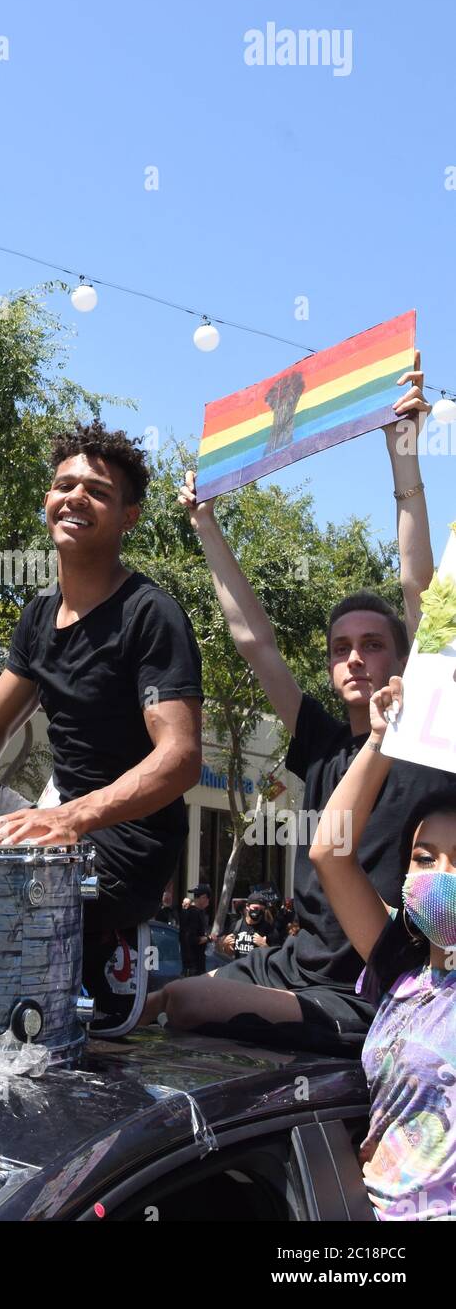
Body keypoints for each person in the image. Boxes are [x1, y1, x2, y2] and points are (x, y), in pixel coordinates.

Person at [142, 368, 456, 1046]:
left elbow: (419, 590)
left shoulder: (428, 749)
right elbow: (255, 642)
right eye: (341, 646)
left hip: (366, 990)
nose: (355, 658)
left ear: (404, 662)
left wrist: (404, 454)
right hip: (289, 965)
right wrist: (206, 526)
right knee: (151, 1001)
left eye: (373, 645)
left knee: (190, 1003)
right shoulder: (316, 739)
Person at [0, 421, 203, 1020]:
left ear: (129, 516)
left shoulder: (151, 615)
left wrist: (71, 817)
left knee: (29, 858)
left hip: (124, 849)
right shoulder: (39, 618)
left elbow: (179, 759)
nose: (75, 496)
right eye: (63, 485)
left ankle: (81, 956)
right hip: (52, 826)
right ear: (47, 501)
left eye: (98, 491)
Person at [310, 675, 456, 1220]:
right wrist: (379, 741)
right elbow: (331, 852)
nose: (442, 874)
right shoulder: (403, 965)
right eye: (424, 857)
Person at [220, 893, 281, 959]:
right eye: (255, 908)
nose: (258, 911)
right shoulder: (236, 926)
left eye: (262, 909)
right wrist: (225, 945)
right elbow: (230, 953)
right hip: (239, 968)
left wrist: (264, 946)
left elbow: (277, 957)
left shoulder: (270, 930)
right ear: (247, 906)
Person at [179, 885, 210, 975]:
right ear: (204, 897)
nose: (209, 901)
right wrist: (209, 938)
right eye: (208, 898)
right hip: (194, 968)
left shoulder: (187, 912)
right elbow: (192, 939)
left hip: (188, 967)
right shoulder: (194, 913)